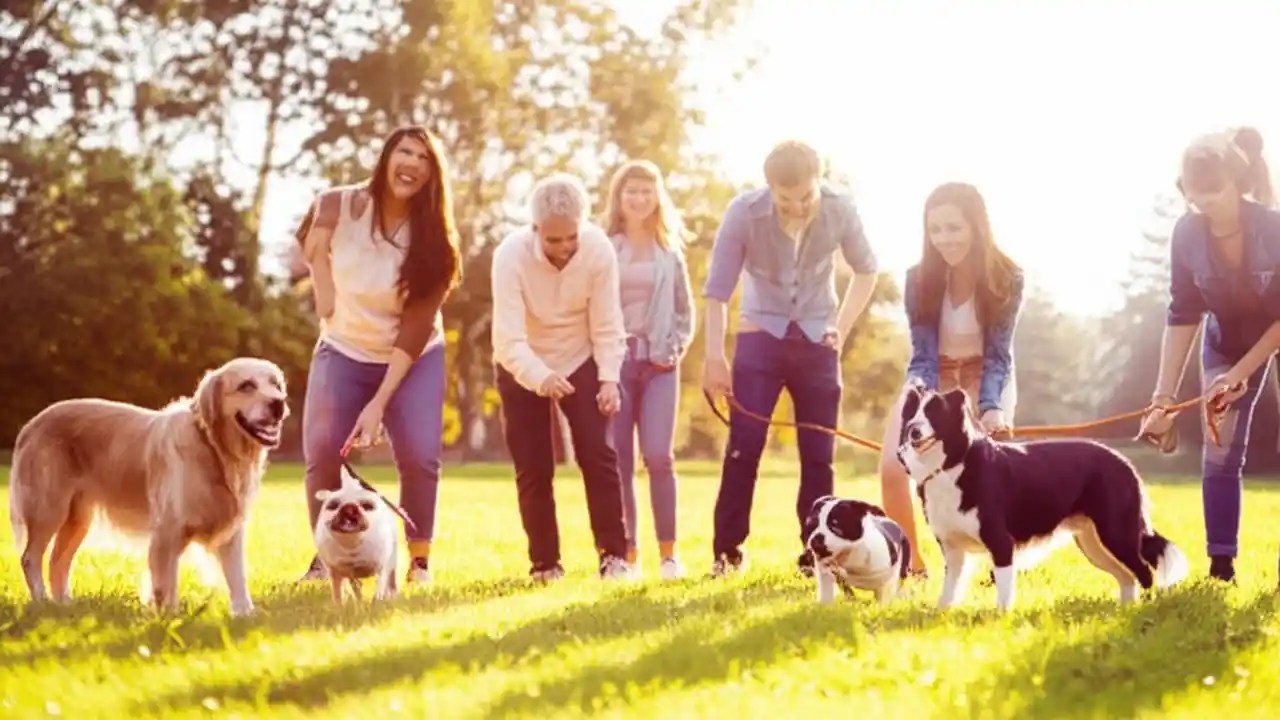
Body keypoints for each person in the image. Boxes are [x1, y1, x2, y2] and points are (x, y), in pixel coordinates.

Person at [701, 140, 880, 577]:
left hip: (819, 340)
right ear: (770, 189)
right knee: (744, 449)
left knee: (818, 455)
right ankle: (727, 553)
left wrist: (843, 322)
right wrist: (713, 358)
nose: (797, 207)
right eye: (786, 199)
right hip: (760, 340)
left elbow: (867, 269)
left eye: (805, 197)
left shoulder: (840, 208)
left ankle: (814, 555)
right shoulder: (743, 213)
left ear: (817, 181)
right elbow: (717, 291)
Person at [294, 124, 462, 585]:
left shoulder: (436, 244)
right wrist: (320, 276)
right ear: (387, 156)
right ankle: (326, 557)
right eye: (403, 152)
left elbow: (413, 330)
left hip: (411, 356)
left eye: (423, 159)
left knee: (420, 454)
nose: (410, 163)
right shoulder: (339, 204)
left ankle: (419, 560)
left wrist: (379, 403)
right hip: (343, 347)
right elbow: (309, 243)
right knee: (324, 451)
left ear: (432, 176)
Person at [1138, 126, 1279, 585]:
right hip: (1225, 341)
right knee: (1219, 454)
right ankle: (1222, 569)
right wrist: (1162, 399)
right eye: (1195, 196)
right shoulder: (1187, 235)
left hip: (1271, 334)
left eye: (1214, 192)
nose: (1204, 204)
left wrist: (1240, 375)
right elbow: (1182, 314)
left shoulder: (1273, 230)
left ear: (1237, 182)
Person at [491, 172, 634, 582]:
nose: (564, 247)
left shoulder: (598, 249)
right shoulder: (510, 256)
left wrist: (608, 377)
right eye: (553, 240)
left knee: (598, 456)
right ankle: (546, 564)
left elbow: (607, 322)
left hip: (580, 356)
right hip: (522, 361)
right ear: (535, 229)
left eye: (571, 237)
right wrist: (540, 377)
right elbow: (507, 340)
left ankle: (613, 557)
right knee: (534, 467)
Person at [879, 182, 1024, 578]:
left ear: (977, 227)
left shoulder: (1007, 278)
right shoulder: (918, 279)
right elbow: (923, 354)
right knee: (894, 468)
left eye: (954, 228)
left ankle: (1001, 562)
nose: (944, 238)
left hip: (986, 376)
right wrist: (920, 401)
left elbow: (999, 354)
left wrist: (991, 408)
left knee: (993, 470)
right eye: (935, 229)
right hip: (932, 376)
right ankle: (911, 566)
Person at [601, 159, 696, 581]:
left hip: (659, 365)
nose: (639, 198)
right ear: (619, 199)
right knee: (618, 461)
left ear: (658, 197)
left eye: (647, 190)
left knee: (659, 456)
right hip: (615, 365)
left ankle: (669, 555)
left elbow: (685, 311)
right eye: (631, 191)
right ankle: (627, 554)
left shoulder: (669, 251)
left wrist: (674, 349)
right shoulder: (604, 248)